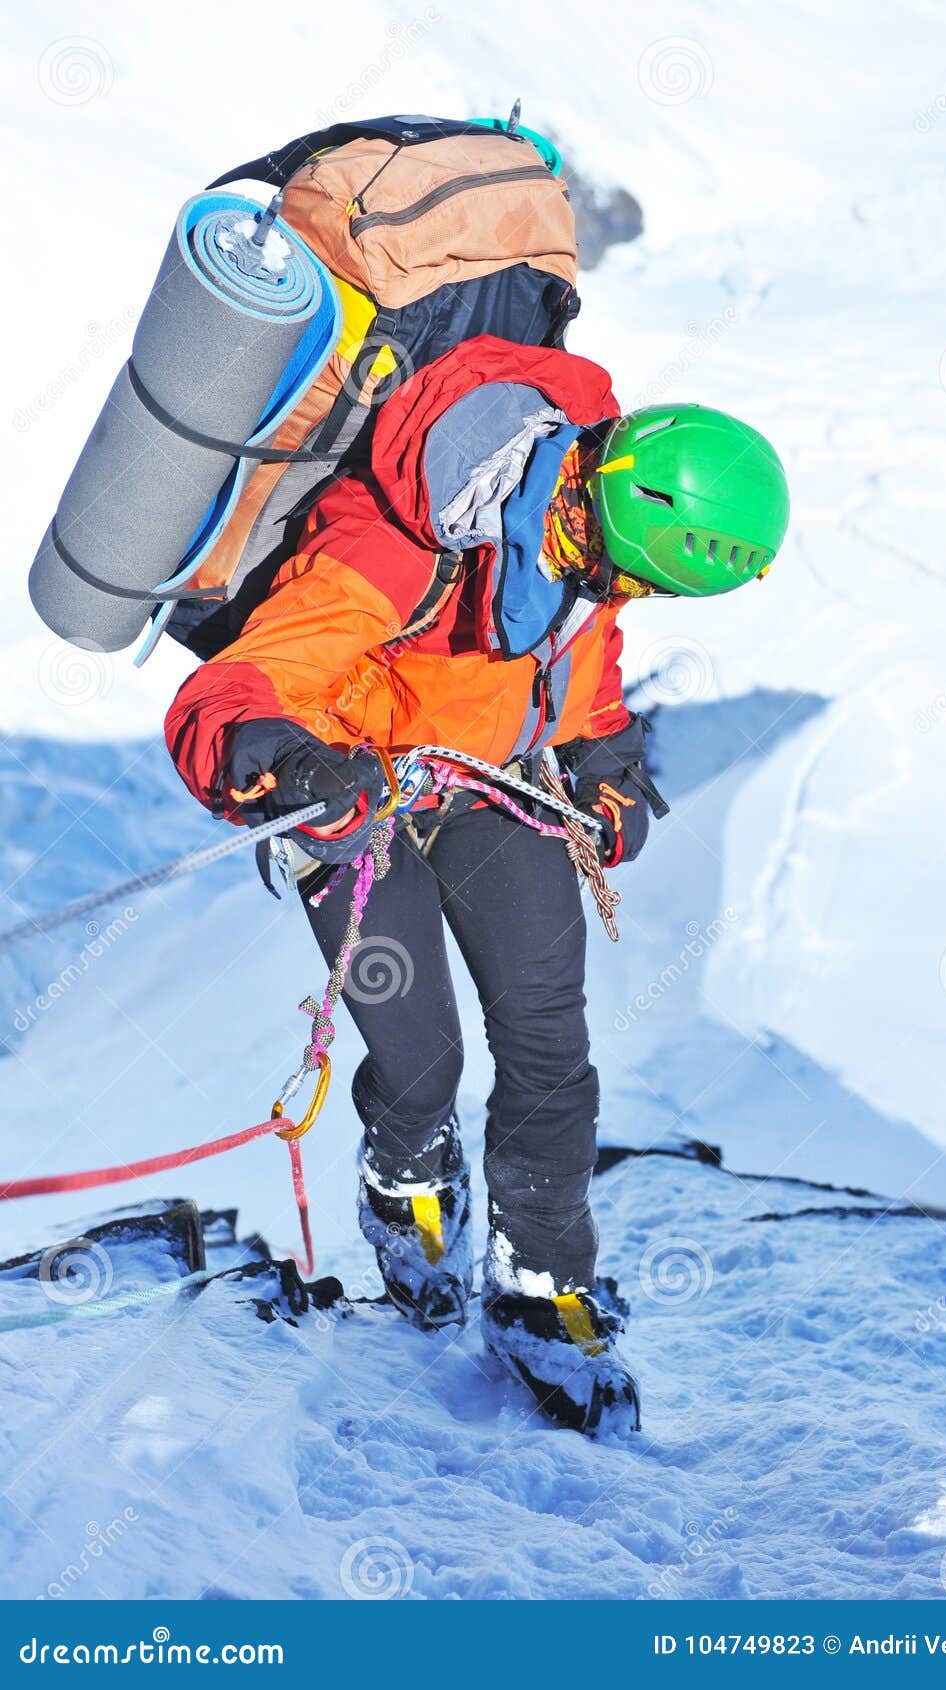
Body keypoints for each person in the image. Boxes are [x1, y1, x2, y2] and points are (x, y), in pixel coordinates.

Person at [165, 335, 789, 1435]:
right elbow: (239, 688)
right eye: (639, 574)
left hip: (489, 786)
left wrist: (603, 765)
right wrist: (288, 759)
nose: (629, 595)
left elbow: (576, 666)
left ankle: (543, 1286)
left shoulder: (581, 533)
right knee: (420, 1057)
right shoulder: (400, 543)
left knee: (549, 1040)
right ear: (609, 514)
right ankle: (408, 1196)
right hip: (350, 797)